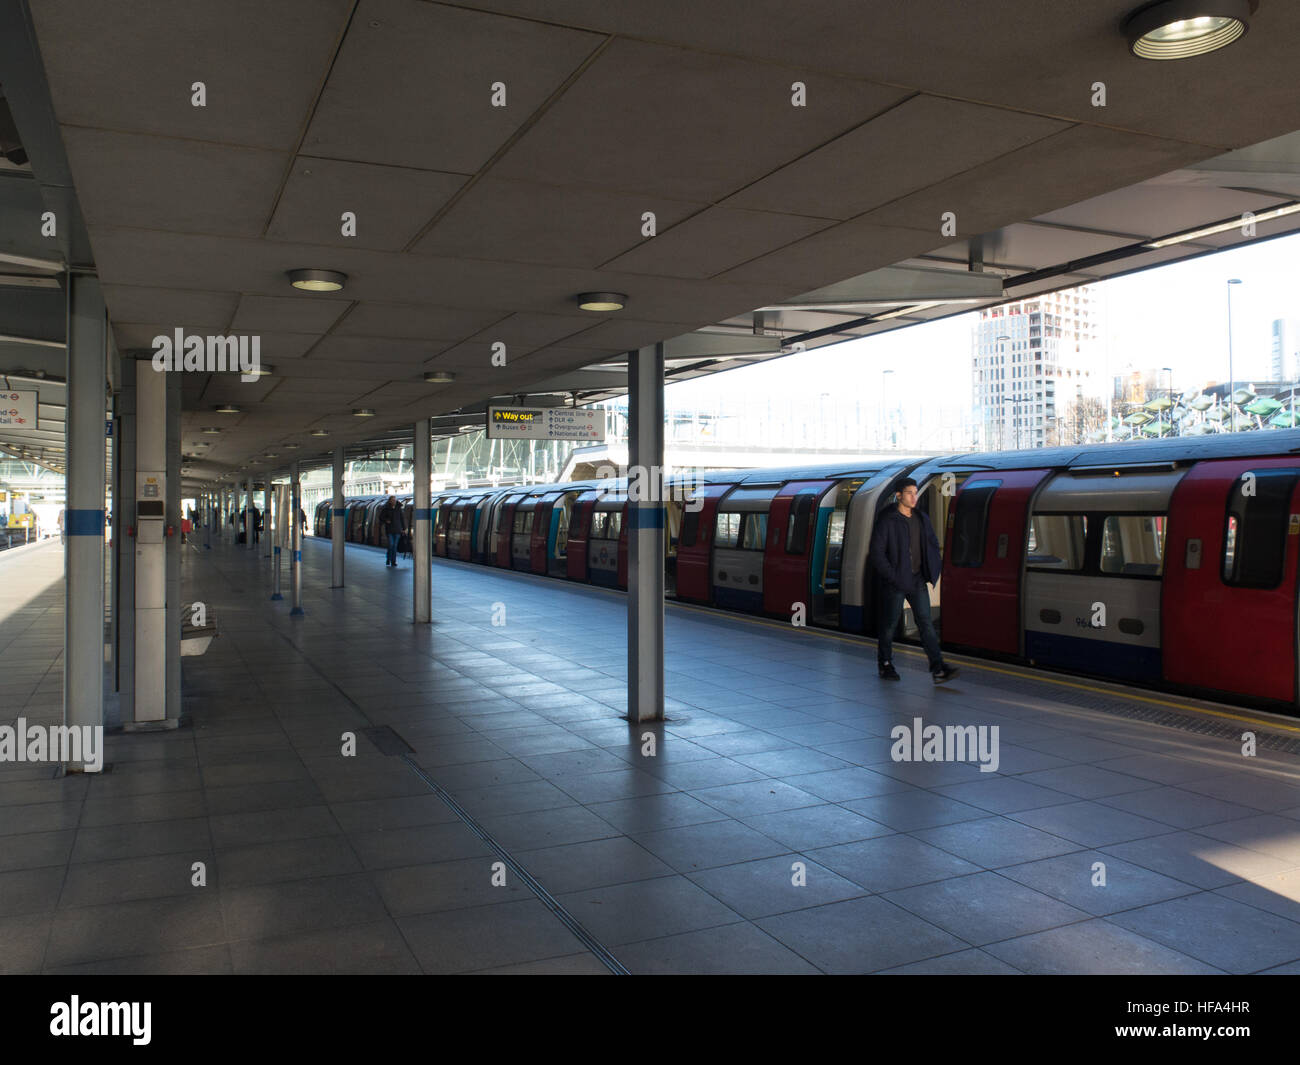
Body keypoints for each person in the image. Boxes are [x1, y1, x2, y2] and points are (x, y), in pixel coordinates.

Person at [868, 478, 959, 684]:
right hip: (895, 582)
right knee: (889, 625)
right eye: (909, 493)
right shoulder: (887, 520)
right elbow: (876, 554)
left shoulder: (921, 518)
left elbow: (932, 544)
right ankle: (885, 664)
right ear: (898, 495)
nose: (914, 497)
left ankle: (938, 668)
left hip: (917, 580)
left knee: (925, 624)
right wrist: (893, 576)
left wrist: (931, 568)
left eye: (915, 492)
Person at [379, 494, 405, 567]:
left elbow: (402, 518)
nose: (394, 501)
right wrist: (386, 520)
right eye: (393, 500)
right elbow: (381, 517)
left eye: (395, 500)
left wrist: (403, 528)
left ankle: (393, 561)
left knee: (395, 546)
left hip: (397, 529)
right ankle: (388, 558)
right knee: (391, 545)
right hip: (389, 529)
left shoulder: (399, 508)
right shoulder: (386, 508)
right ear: (390, 501)